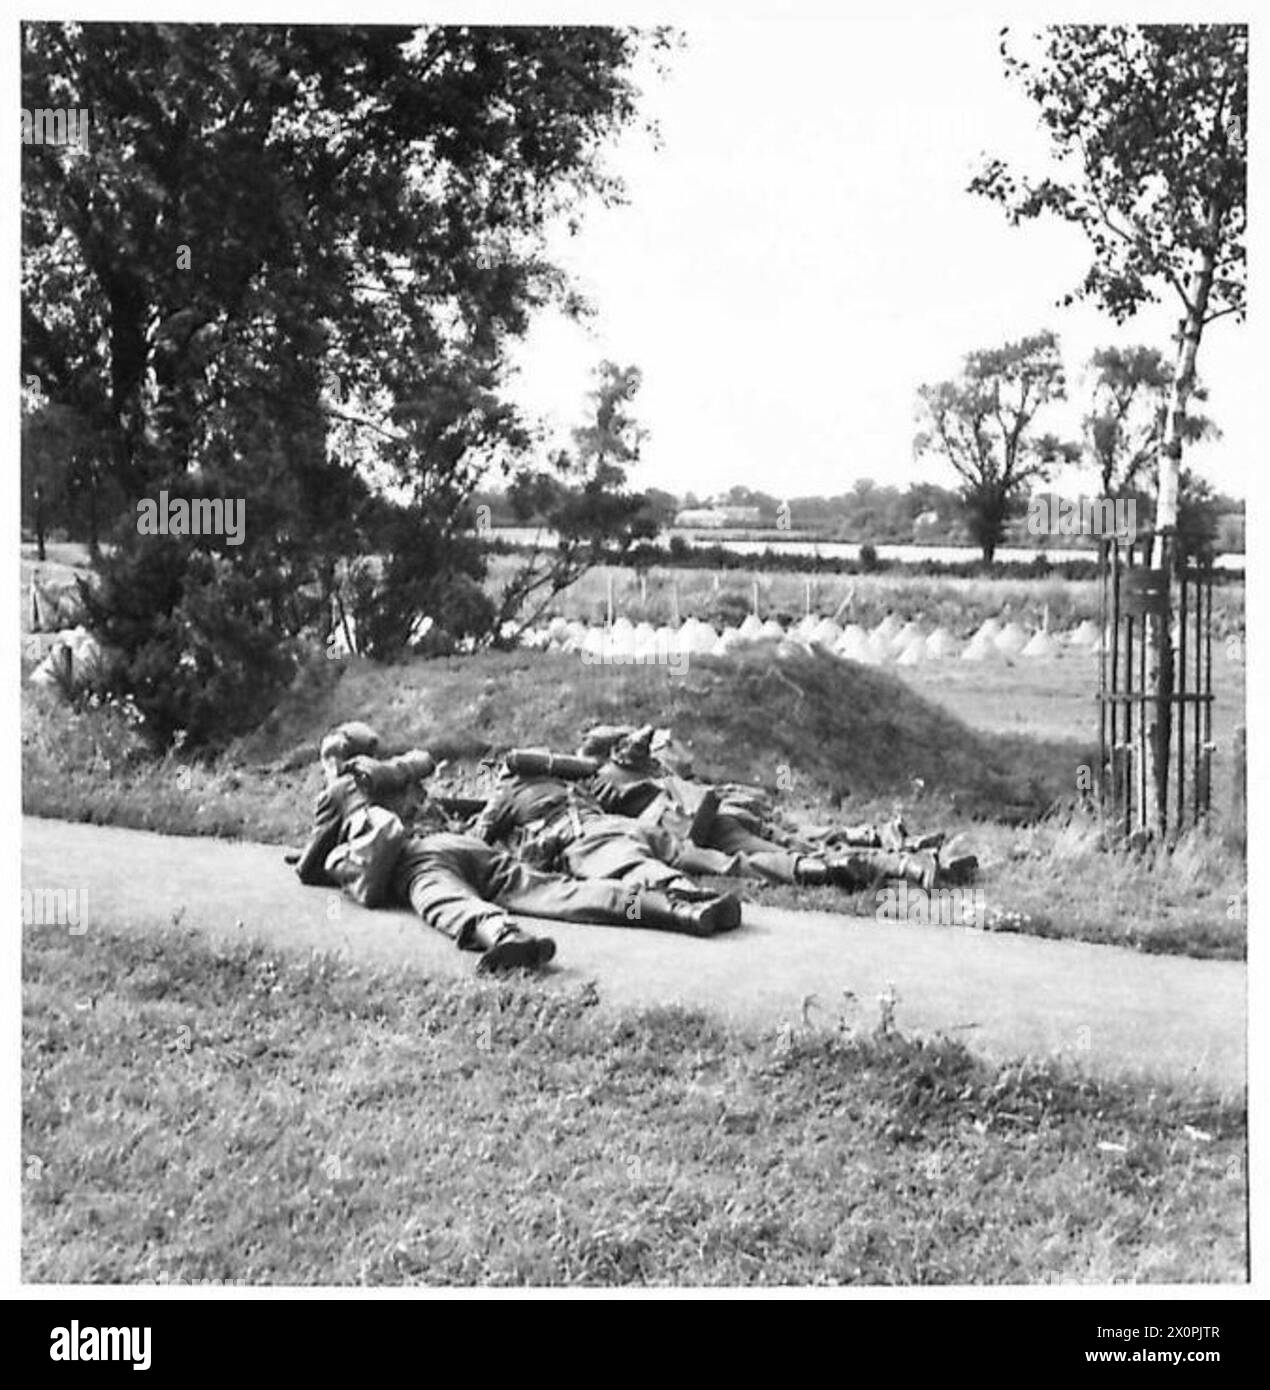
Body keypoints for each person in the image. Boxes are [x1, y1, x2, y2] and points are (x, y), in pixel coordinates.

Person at [293, 724, 738, 975]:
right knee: (560, 892)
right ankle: (679, 910)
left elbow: (310, 870)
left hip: (419, 861)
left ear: (332, 760)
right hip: (467, 846)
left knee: (446, 902)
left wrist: (326, 855)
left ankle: (504, 937)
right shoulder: (403, 774)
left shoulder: (340, 790)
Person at [580, 725, 977, 891]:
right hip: (704, 824)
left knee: (791, 850)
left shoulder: (629, 776)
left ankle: (903, 858)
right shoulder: (608, 780)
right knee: (791, 851)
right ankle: (901, 860)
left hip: (708, 822)